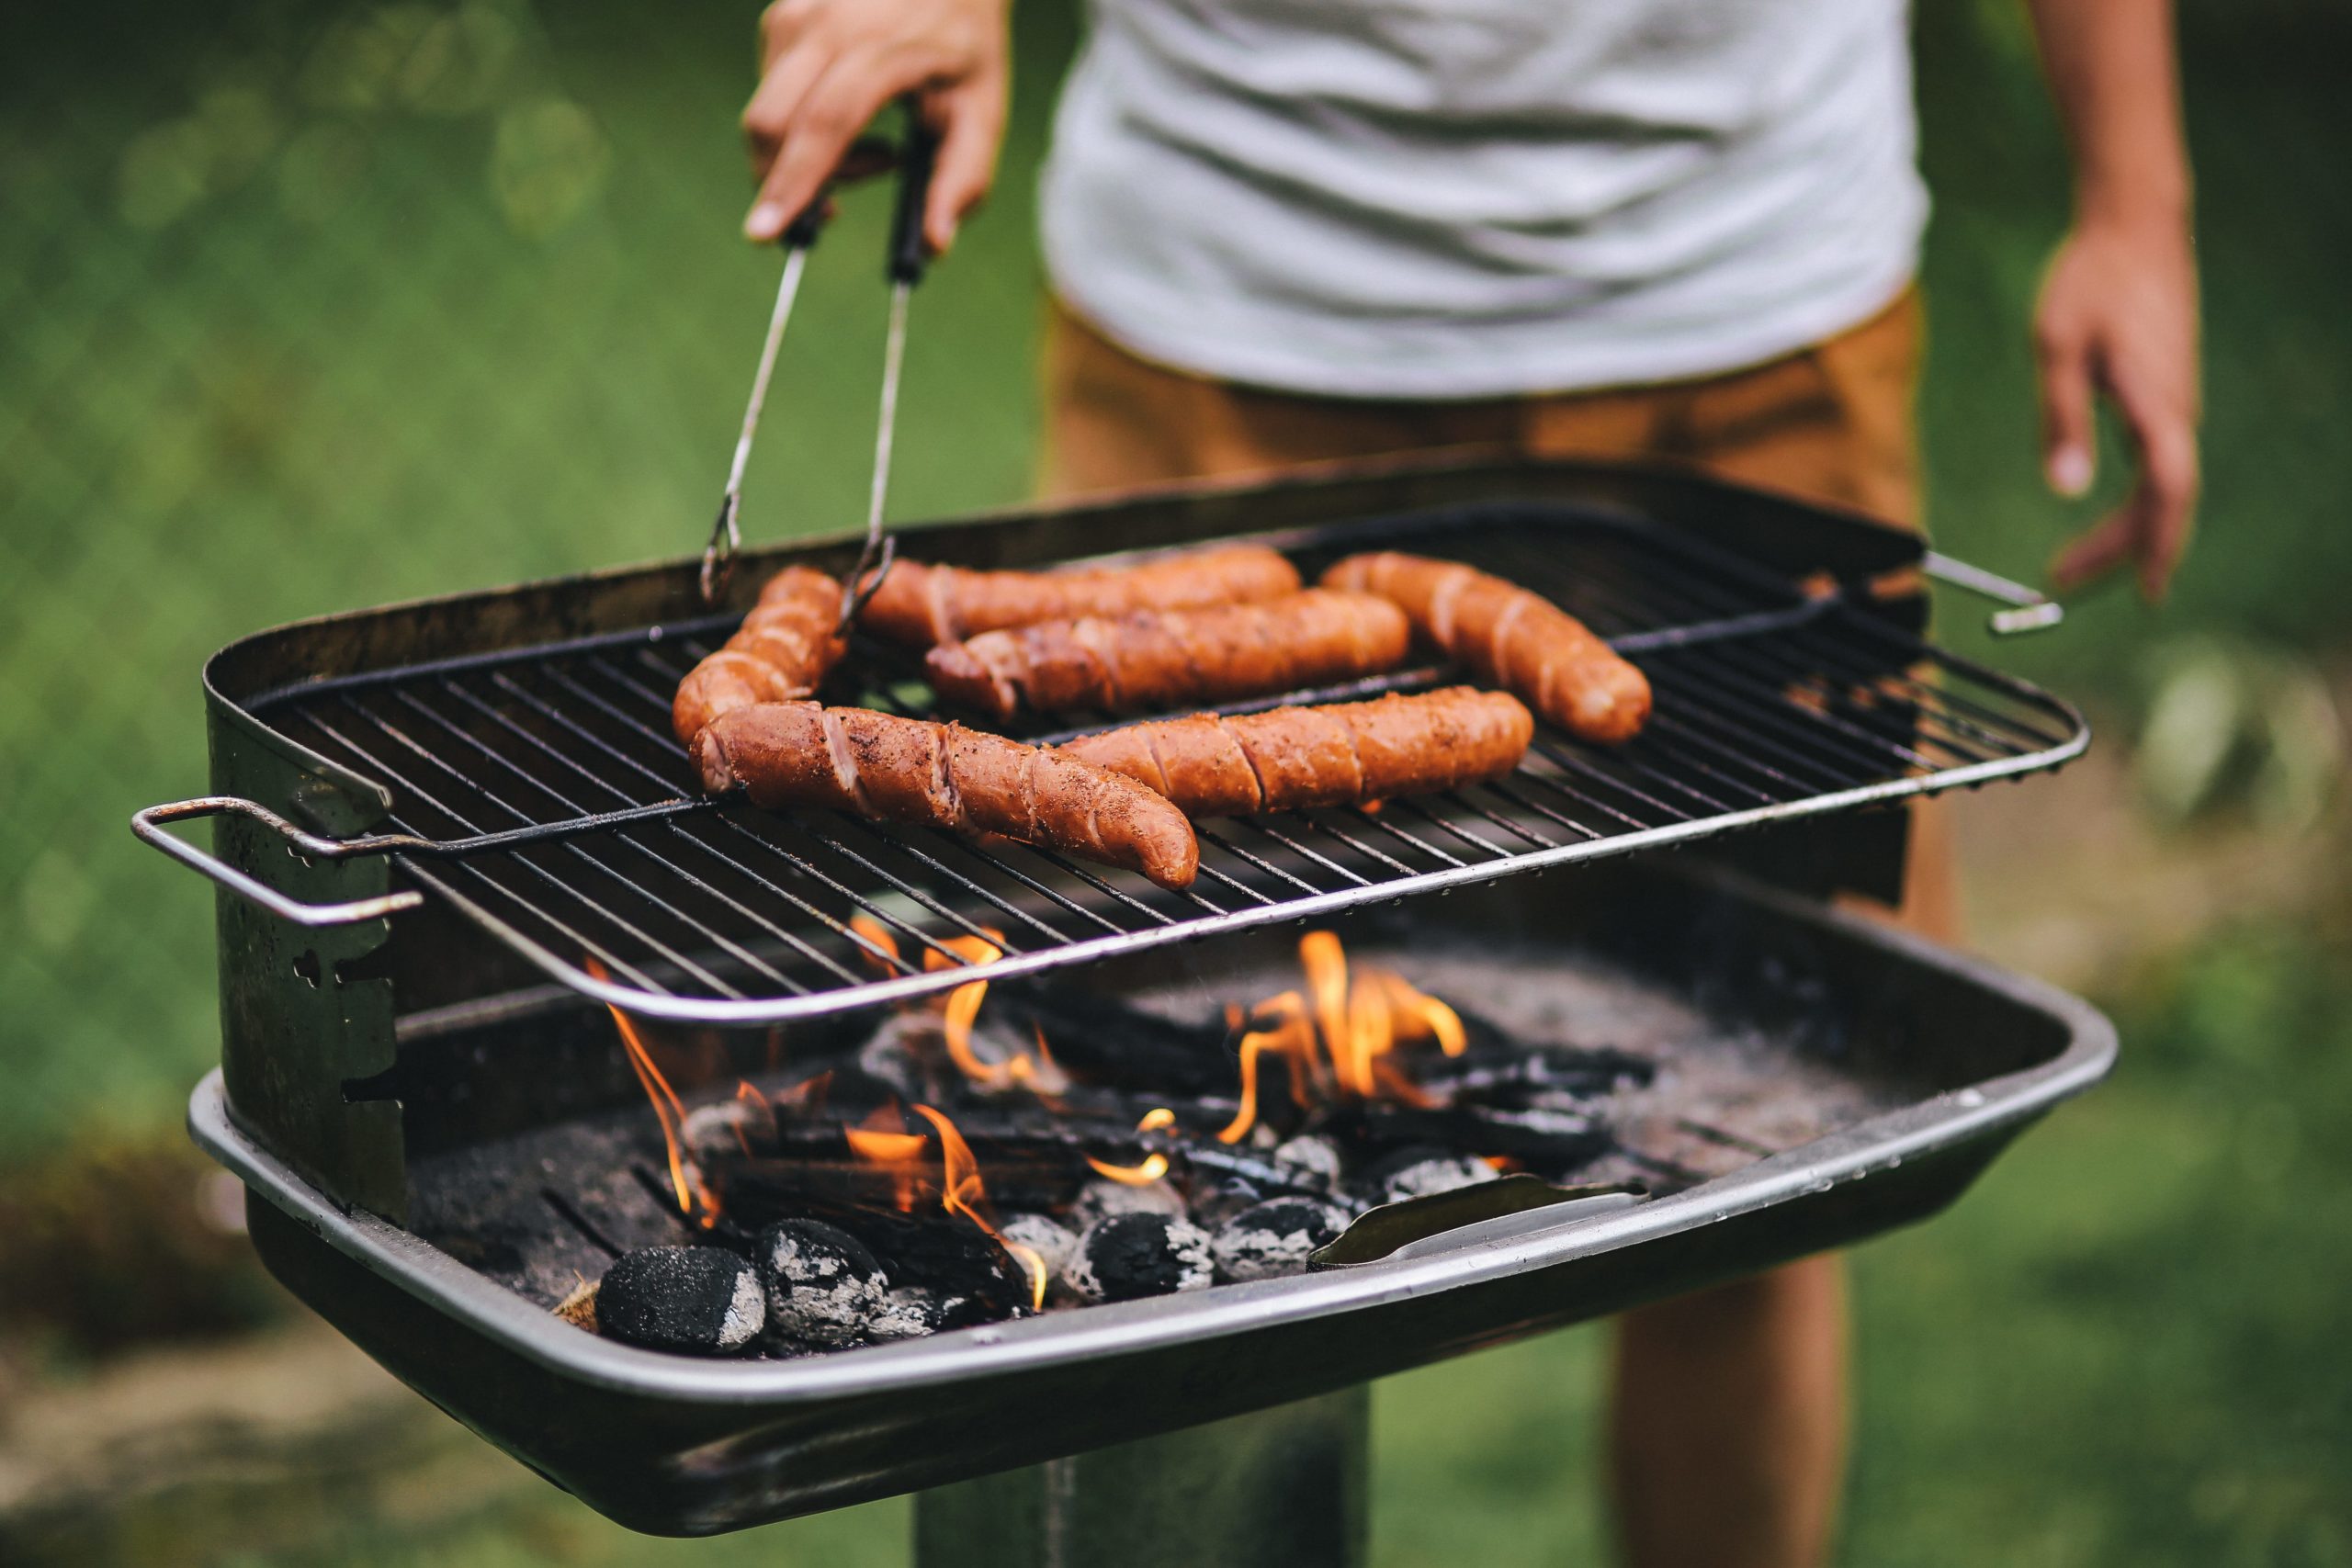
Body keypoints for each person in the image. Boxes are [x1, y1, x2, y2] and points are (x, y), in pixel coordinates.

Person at [739, 3, 2198, 1562]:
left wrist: (2133, 203)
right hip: (1226, 287)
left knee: (1763, 1166)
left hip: (1748, 295)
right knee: (1119, 1174)